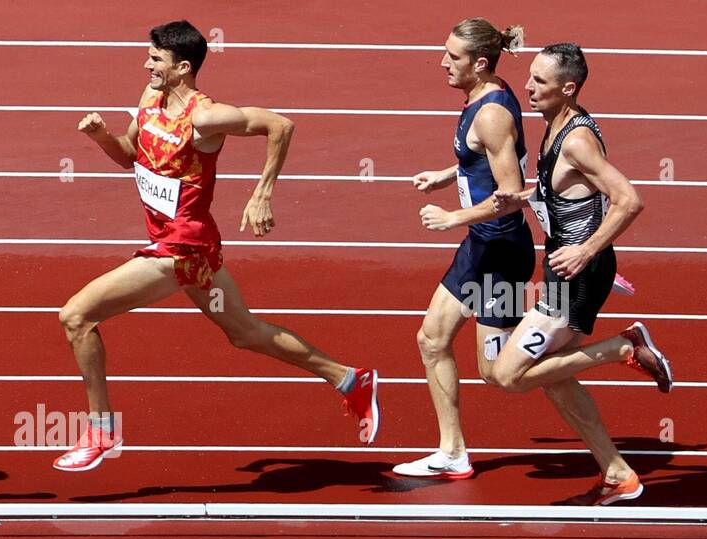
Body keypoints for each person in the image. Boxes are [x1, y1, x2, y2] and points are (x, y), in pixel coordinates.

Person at [52, 20, 379, 473]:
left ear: (183, 67)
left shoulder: (206, 117)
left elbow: (280, 125)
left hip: (181, 250)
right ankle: (349, 379)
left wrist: (262, 192)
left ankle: (102, 430)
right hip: (191, 247)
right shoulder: (151, 100)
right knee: (244, 333)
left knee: (76, 316)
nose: (146, 65)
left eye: (155, 60)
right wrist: (100, 136)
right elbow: (131, 155)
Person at [489, 43, 673, 505]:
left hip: (577, 277)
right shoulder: (558, 123)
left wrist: (586, 250)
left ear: (567, 88)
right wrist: (528, 199)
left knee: (508, 375)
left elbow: (629, 199)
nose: (528, 87)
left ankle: (621, 347)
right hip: (565, 270)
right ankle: (618, 473)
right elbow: (567, 190)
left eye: (540, 82)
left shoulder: (575, 138)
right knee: (553, 376)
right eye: (529, 76)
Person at [395, 19, 533, 481]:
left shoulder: (491, 114)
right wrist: (446, 174)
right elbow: (482, 164)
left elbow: (512, 192)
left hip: (502, 254)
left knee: (499, 374)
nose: (442, 63)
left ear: (478, 63)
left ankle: (617, 349)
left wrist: (452, 218)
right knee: (431, 339)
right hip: (480, 247)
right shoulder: (484, 94)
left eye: (452, 57)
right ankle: (452, 452)